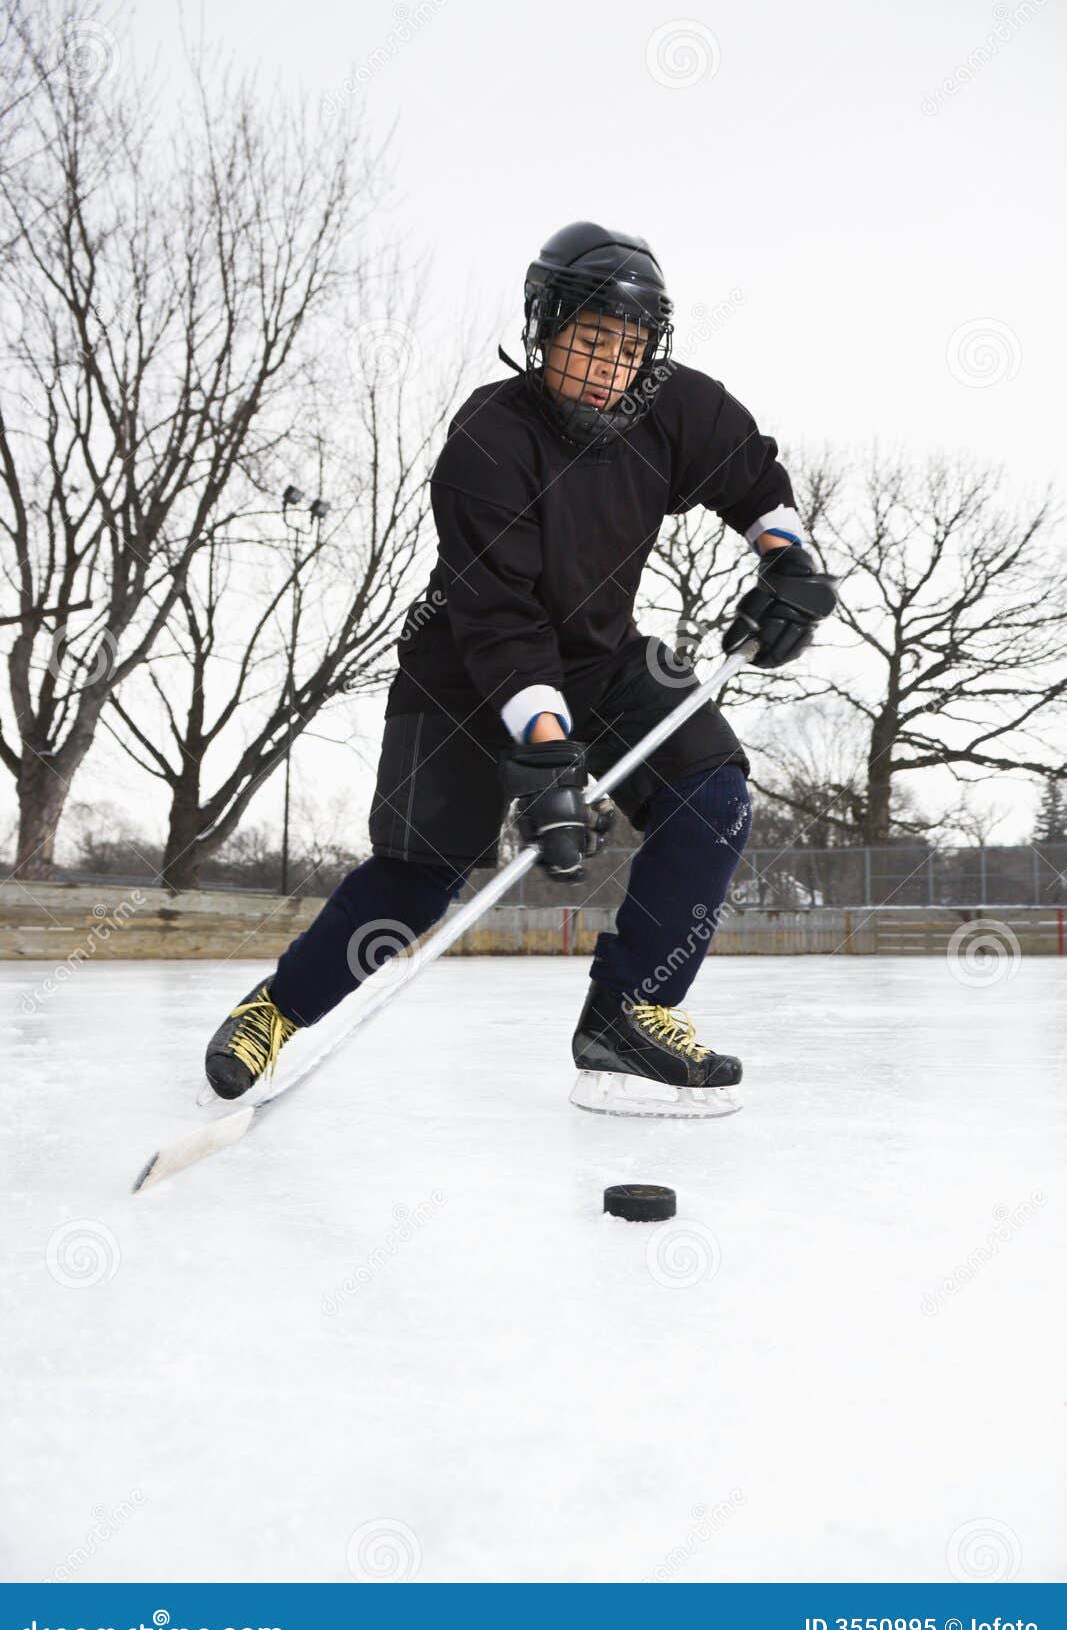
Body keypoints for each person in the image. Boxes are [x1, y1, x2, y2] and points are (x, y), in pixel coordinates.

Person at [204, 222, 836, 1111]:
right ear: (544, 330)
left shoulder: (680, 408)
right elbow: (499, 618)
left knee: (712, 794)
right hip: (464, 665)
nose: (610, 364)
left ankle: (630, 1011)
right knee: (420, 875)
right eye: (589, 340)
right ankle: (275, 1010)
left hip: (603, 654)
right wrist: (545, 751)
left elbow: (753, 480)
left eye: (630, 343)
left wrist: (789, 560)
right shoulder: (490, 438)